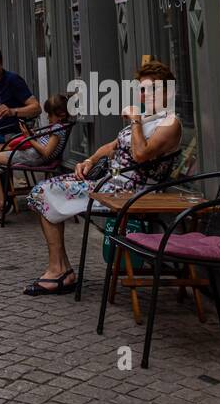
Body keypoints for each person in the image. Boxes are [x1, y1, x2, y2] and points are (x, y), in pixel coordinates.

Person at [24, 60, 181, 296]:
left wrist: (135, 120)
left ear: (168, 92)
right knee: (42, 192)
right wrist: (89, 160)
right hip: (111, 183)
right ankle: (60, 269)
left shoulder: (170, 123)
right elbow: (113, 146)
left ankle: (60, 272)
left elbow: (140, 155)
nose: (146, 95)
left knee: (42, 193)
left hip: (132, 193)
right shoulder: (148, 118)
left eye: (153, 90)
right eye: (142, 90)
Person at [0, 93, 71, 223]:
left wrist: (29, 137)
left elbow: (46, 152)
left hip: (33, 156)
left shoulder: (57, 129)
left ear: (61, 114)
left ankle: (0, 205)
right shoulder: (58, 127)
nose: (48, 117)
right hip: (32, 153)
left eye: (50, 115)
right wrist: (33, 136)